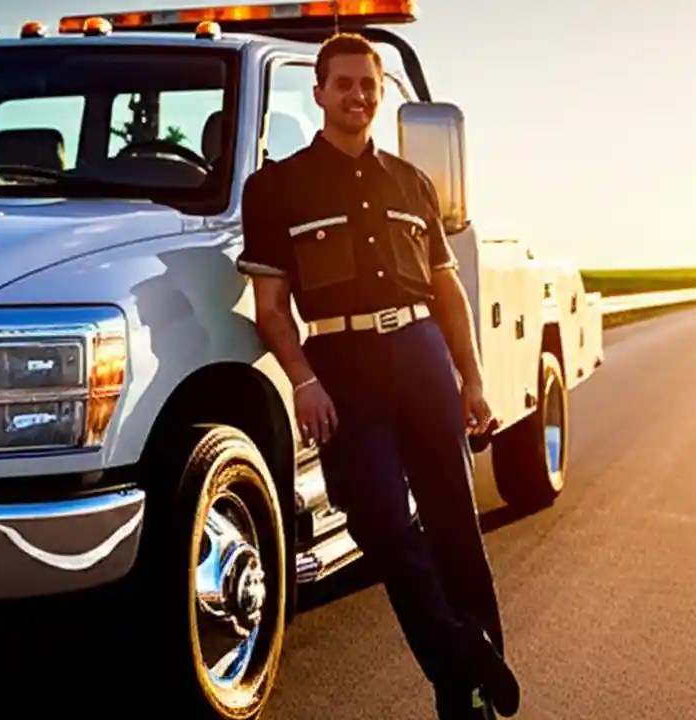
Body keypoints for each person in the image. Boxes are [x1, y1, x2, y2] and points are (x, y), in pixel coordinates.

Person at [236, 32, 521, 720]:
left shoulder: (411, 182)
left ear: (379, 92)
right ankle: (466, 650)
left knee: (456, 521)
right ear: (320, 93)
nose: (358, 96)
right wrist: (304, 380)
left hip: (420, 352)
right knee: (380, 524)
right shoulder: (275, 189)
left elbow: (448, 293)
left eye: (370, 85)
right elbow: (272, 310)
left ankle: (466, 694)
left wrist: (472, 380)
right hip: (341, 368)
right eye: (345, 85)